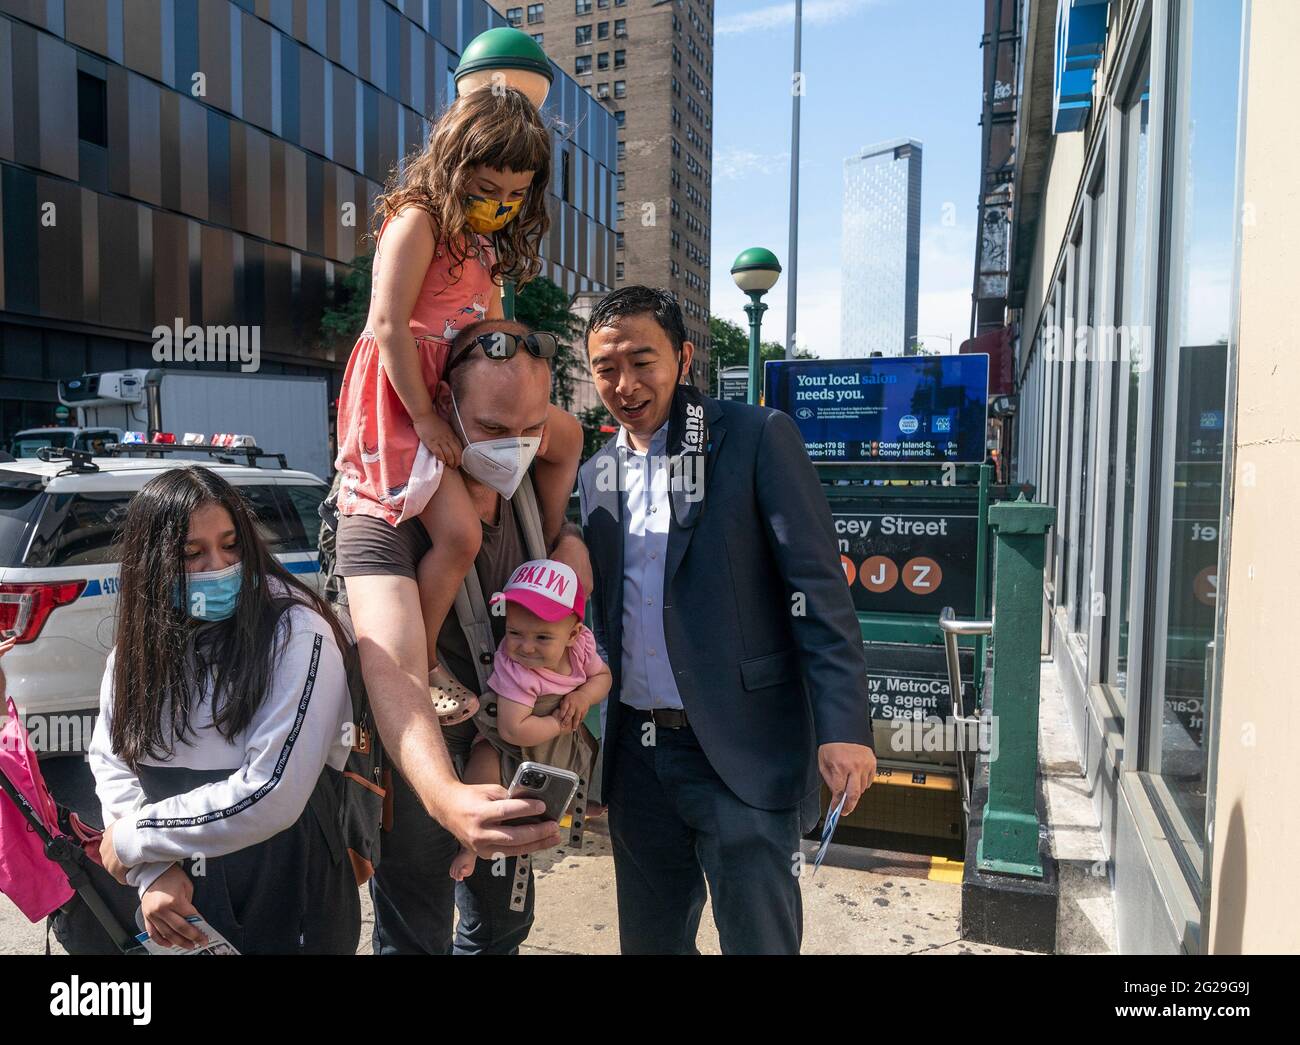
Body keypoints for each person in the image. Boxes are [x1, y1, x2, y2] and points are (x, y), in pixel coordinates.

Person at [578, 286, 878, 955]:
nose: (624, 384)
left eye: (641, 360)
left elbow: (820, 592)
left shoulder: (754, 436)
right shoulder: (595, 475)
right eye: (605, 367)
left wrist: (845, 728)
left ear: (682, 358)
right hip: (638, 760)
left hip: (743, 752)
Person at [333, 318, 591, 954]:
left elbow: (568, 451)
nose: (515, 447)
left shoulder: (529, 482)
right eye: (494, 431)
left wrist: (570, 550)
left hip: (510, 740)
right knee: (415, 931)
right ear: (444, 406)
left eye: (531, 429)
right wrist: (446, 797)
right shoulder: (381, 513)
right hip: (420, 755)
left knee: (503, 926)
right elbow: (391, 669)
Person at [331, 84, 582, 725]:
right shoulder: (419, 219)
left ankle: (549, 551)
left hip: (460, 389)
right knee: (463, 533)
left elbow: (488, 339)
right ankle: (428, 655)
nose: (500, 205)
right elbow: (387, 326)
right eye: (488, 189)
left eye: (515, 194)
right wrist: (425, 418)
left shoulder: (484, 244)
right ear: (453, 165)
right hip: (406, 396)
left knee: (567, 436)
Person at [87, 465, 360, 954]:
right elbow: (112, 760)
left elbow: (272, 792)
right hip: (181, 890)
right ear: (151, 563)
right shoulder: (138, 644)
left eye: (231, 545)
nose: (219, 566)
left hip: (285, 880)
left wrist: (136, 839)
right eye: (192, 554)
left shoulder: (297, 630)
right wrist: (153, 873)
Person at [449, 558, 609, 881]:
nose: (526, 646)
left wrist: (583, 697)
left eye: (542, 637)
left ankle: (589, 799)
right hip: (511, 740)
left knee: (594, 752)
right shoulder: (517, 670)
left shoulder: (580, 650)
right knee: (483, 767)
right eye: (514, 632)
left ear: (573, 634)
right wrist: (558, 722)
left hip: (560, 734)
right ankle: (468, 841)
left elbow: (604, 676)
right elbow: (513, 729)